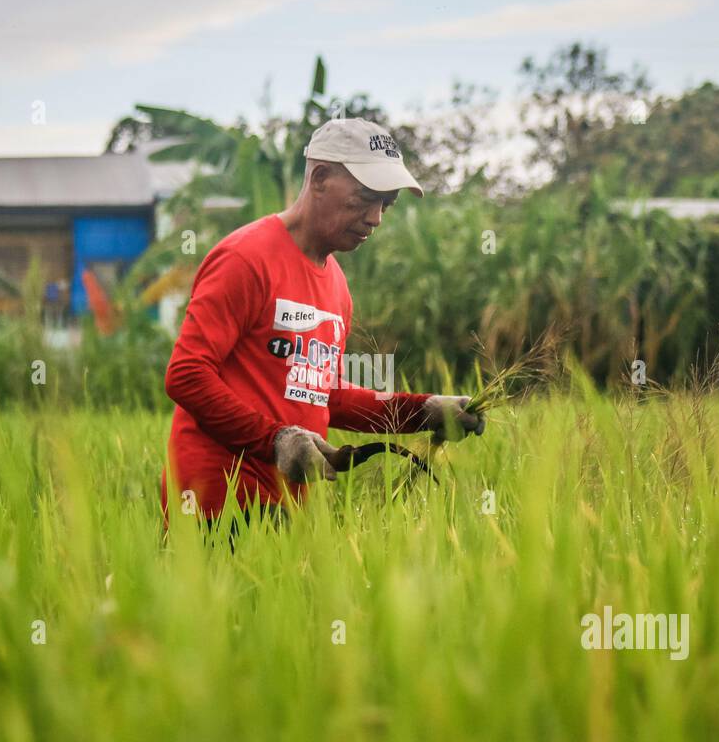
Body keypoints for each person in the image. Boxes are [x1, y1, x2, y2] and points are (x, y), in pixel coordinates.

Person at [160, 118, 485, 532]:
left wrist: (424, 411)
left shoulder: (337, 286)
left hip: (287, 503)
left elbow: (325, 397)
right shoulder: (247, 259)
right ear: (319, 177)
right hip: (217, 499)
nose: (376, 218)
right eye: (365, 199)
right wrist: (277, 440)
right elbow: (186, 375)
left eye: (386, 204)